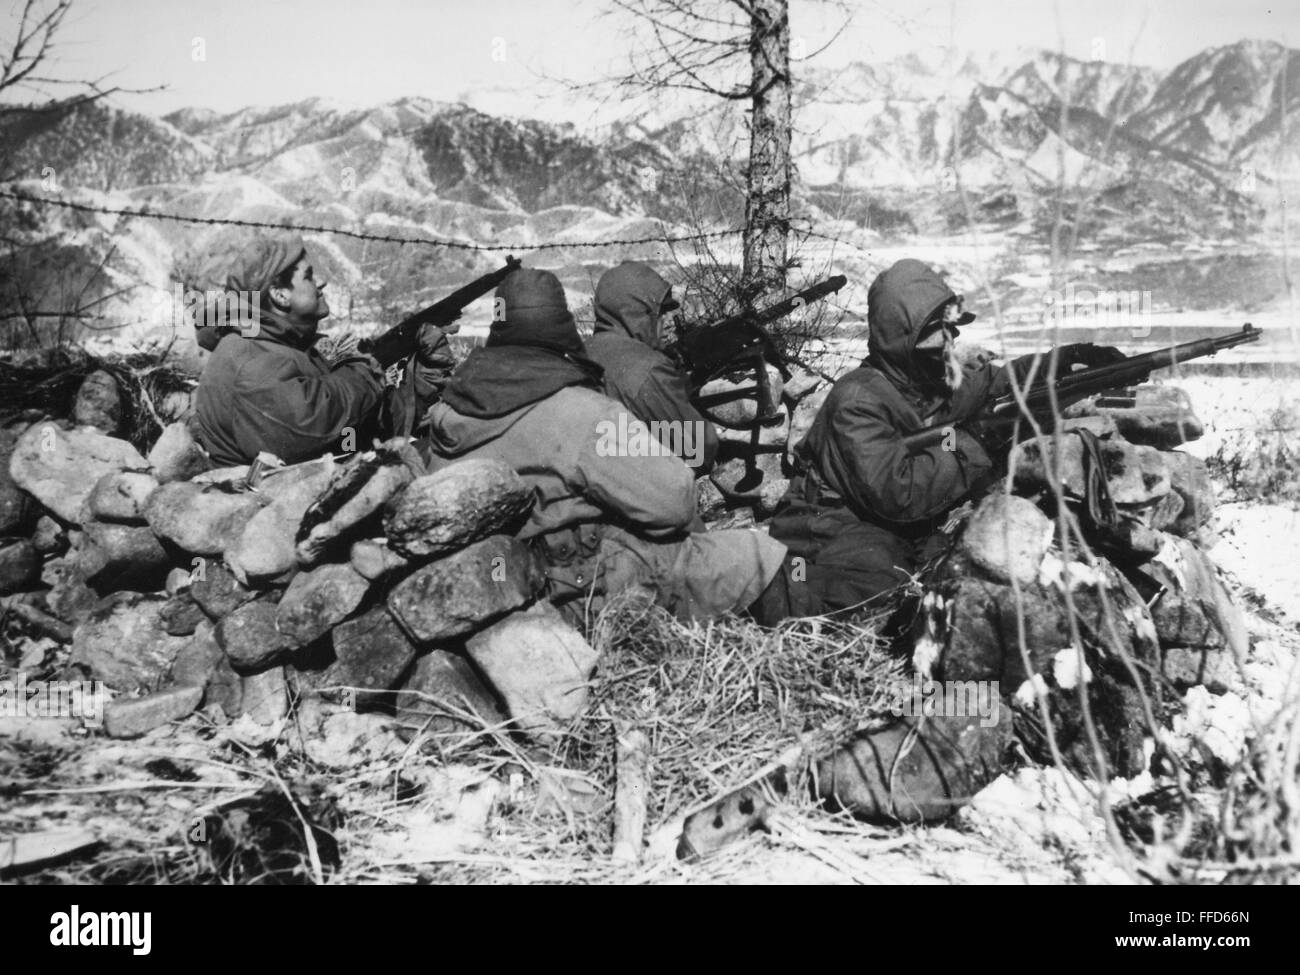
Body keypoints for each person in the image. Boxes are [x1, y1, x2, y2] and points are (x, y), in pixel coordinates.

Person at [752, 258, 1125, 624]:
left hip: (891, 523)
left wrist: (1065, 360)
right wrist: (972, 442)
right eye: (936, 335)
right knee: (880, 589)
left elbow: (997, 383)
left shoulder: (928, 380)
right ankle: (778, 590)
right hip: (827, 528)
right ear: (903, 340)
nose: (949, 342)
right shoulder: (857, 400)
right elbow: (898, 493)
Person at [421, 267, 783, 621]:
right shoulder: (582, 409)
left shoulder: (452, 409)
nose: (670, 320)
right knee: (758, 552)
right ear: (560, 326)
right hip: (576, 588)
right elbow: (677, 496)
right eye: (663, 311)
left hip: (499, 574)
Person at [190, 232, 451, 468]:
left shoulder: (287, 346)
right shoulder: (251, 360)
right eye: (308, 276)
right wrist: (365, 369)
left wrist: (424, 371)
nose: (321, 282)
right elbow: (315, 425)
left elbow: (366, 424)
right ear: (280, 295)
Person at [586, 260, 719, 474]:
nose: (668, 320)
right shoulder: (648, 369)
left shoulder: (583, 351)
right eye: (660, 311)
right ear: (637, 314)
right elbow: (699, 449)